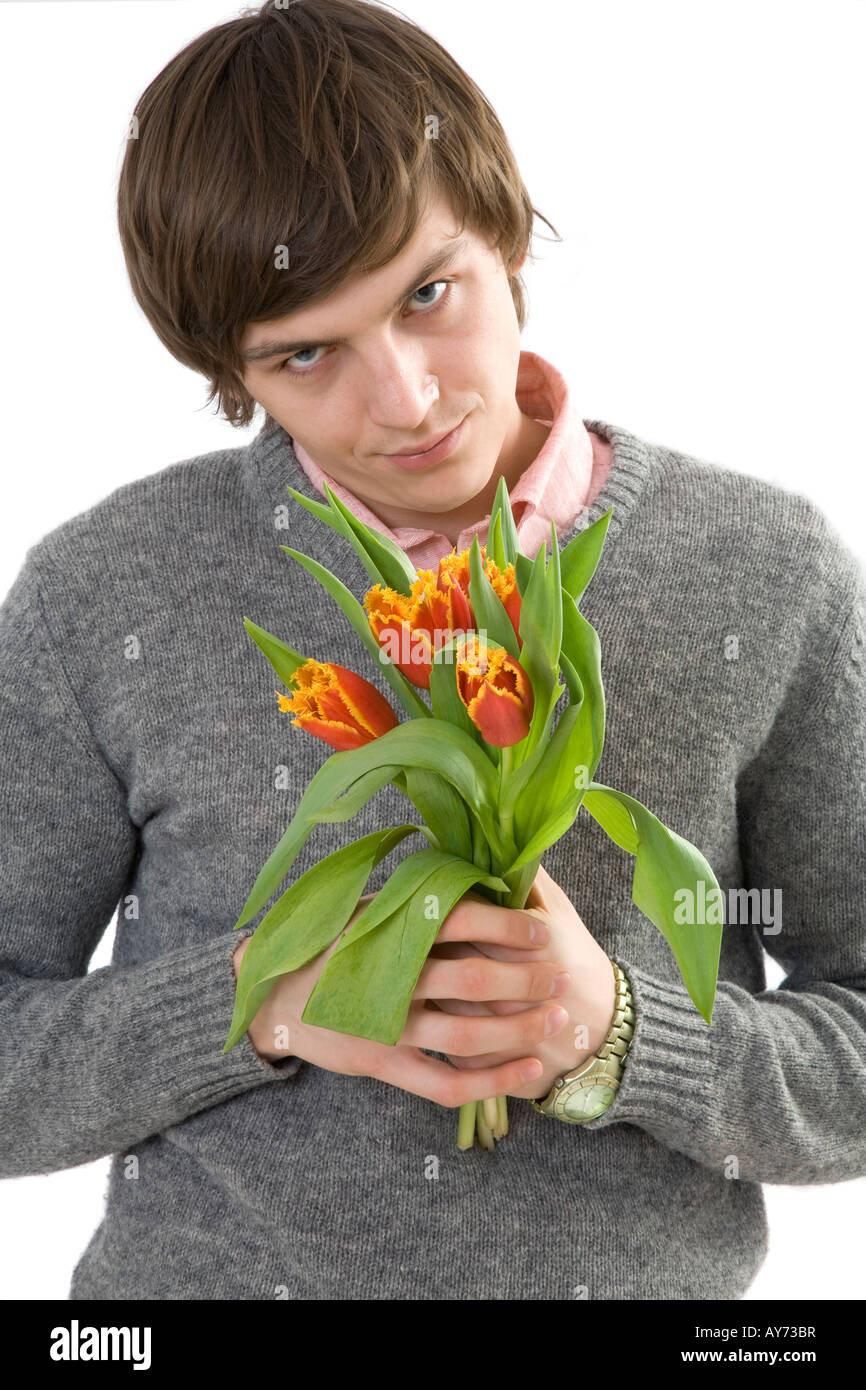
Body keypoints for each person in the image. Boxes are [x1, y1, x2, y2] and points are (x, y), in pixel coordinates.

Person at [1, 0, 863, 1301]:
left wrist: (621, 1033)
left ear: (507, 230)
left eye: (428, 293)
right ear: (234, 374)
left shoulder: (766, 568)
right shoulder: (100, 589)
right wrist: (259, 1001)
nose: (404, 399)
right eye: (305, 353)